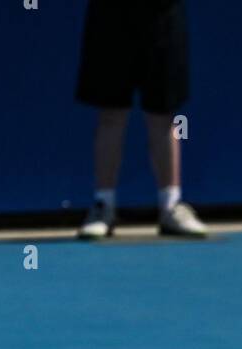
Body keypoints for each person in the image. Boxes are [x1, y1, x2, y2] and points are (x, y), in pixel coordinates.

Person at [74, 0, 207, 239]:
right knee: (111, 112)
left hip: (163, 13)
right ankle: (104, 206)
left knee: (163, 113)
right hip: (110, 15)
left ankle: (170, 206)